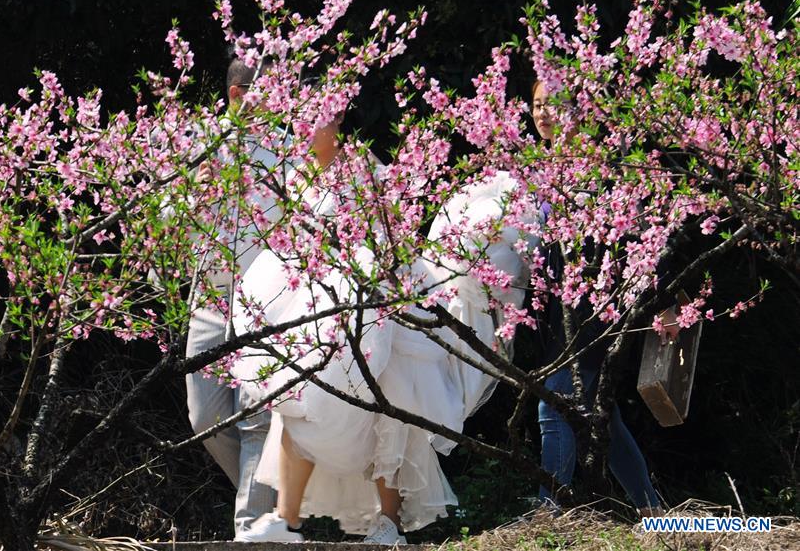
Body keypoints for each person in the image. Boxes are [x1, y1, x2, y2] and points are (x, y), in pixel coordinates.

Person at [230, 113, 538, 543]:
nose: (300, 130)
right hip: (321, 307)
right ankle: (286, 519)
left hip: (376, 311)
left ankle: (388, 523)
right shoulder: (299, 177)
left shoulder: (362, 169)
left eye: (311, 120)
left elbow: (388, 237)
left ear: (335, 120)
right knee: (297, 399)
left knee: (387, 409)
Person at [530, 80, 665, 517]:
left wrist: (655, 297)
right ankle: (655, 512)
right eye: (537, 105)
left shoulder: (603, 165)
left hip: (597, 303)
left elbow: (642, 236)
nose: (544, 113)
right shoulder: (541, 167)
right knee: (602, 416)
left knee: (557, 403)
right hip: (558, 309)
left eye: (555, 104)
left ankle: (550, 510)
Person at [182, 57, 280, 536]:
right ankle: (273, 492)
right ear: (236, 95)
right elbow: (167, 212)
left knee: (258, 416)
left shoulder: (287, 148)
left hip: (268, 300)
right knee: (205, 415)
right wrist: (189, 198)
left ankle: (253, 529)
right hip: (210, 296)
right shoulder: (202, 141)